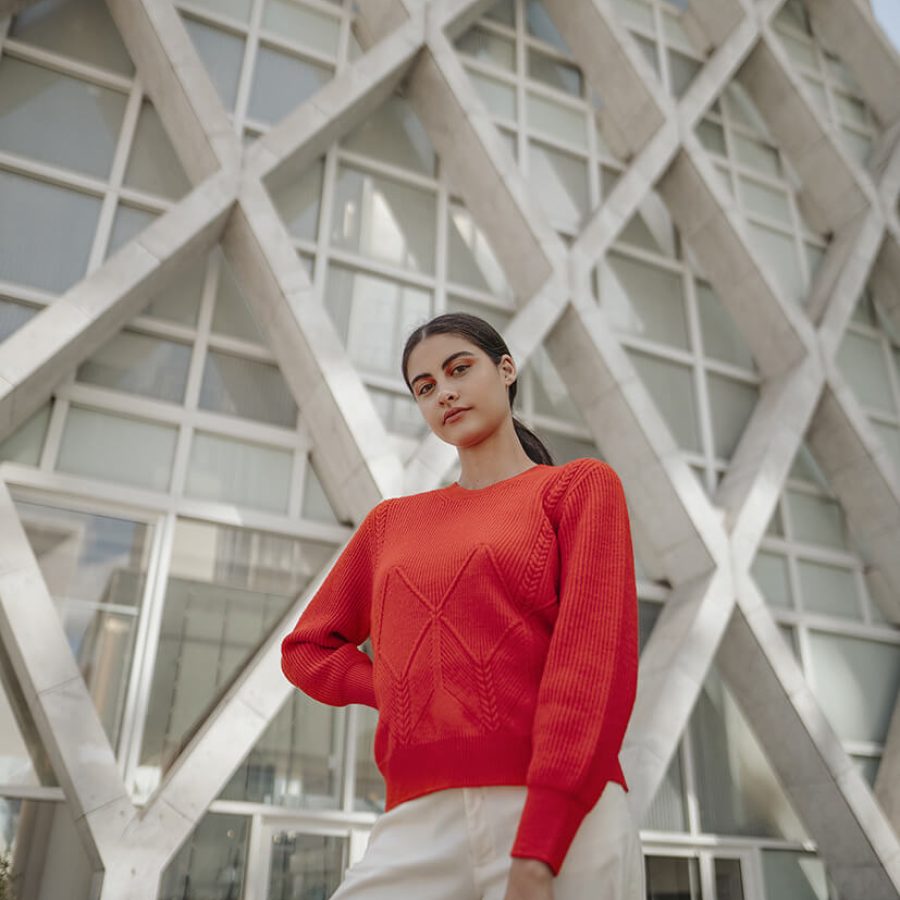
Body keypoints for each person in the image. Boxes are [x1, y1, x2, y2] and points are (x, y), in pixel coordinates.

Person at [281, 312, 642, 900]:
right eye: (424, 387)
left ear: (505, 370)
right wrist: (398, 689)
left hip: (564, 810)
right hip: (417, 817)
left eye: (458, 369)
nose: (443, 392)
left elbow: (592, 666)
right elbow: (307, 649)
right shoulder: (390, 524)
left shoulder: (576, 488)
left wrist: (540, 850)